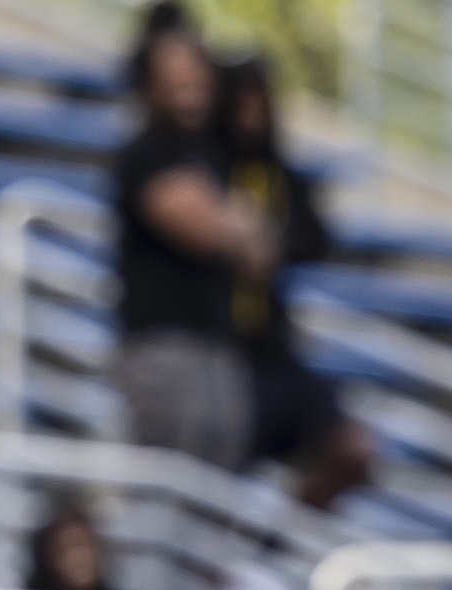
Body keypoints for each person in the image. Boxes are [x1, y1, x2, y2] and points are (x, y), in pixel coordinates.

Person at [112, 8, 266, 472]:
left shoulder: (218, 154)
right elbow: (204, 230)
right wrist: (235, 223)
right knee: (170, 475)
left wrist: (236, 225)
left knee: (220, 473)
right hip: (162, 345)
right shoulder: (145, 150)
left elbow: (263, 250)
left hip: (217, 345)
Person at [215, 54, 365, 507]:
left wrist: (265, 240)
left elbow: (315, 239)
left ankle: (273, 544)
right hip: (218, 355)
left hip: (271, 353)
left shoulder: (279, 175)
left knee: (352, 449)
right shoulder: (204, 167)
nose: (251, 117)